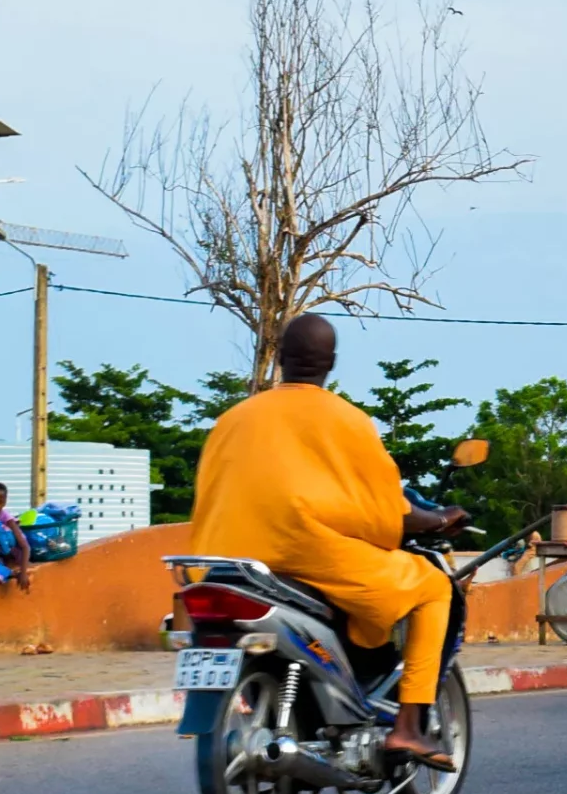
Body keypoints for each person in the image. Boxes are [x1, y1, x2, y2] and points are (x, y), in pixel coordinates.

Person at [189, 315, 467, 768]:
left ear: (279, 358)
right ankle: (408, 727)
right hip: (307, 555)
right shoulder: (347, 421)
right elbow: (387, 509)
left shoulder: (232, 419)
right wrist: (437, 519)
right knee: (434, 588)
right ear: (331, 363)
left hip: (231, 557)